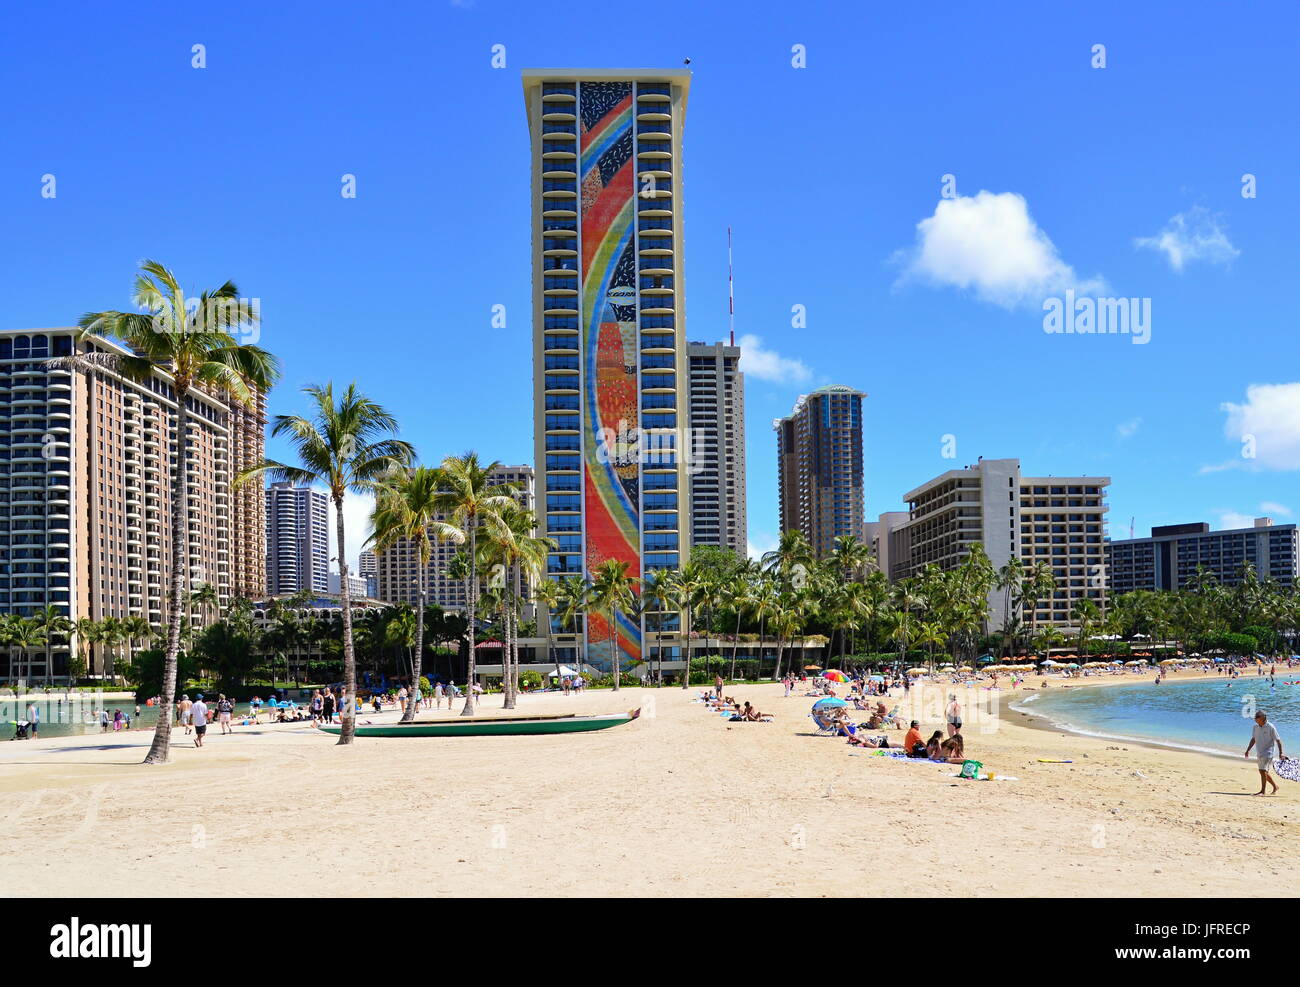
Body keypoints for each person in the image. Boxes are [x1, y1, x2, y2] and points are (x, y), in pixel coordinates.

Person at [1245, 711, 1284, 796]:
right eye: (1255, 717)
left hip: (1268, 752)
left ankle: (1262, 791)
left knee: (1263, 771)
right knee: (1262, 771)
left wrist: (1281, 753)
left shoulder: (1270, 727)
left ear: (1263, 717)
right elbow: (1253, 739)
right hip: (1259, 752)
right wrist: (1248, 750)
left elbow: (1278, 740)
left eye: (1257, 717)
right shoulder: (1255, 727)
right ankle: (1275, 786)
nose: (1255, 718)